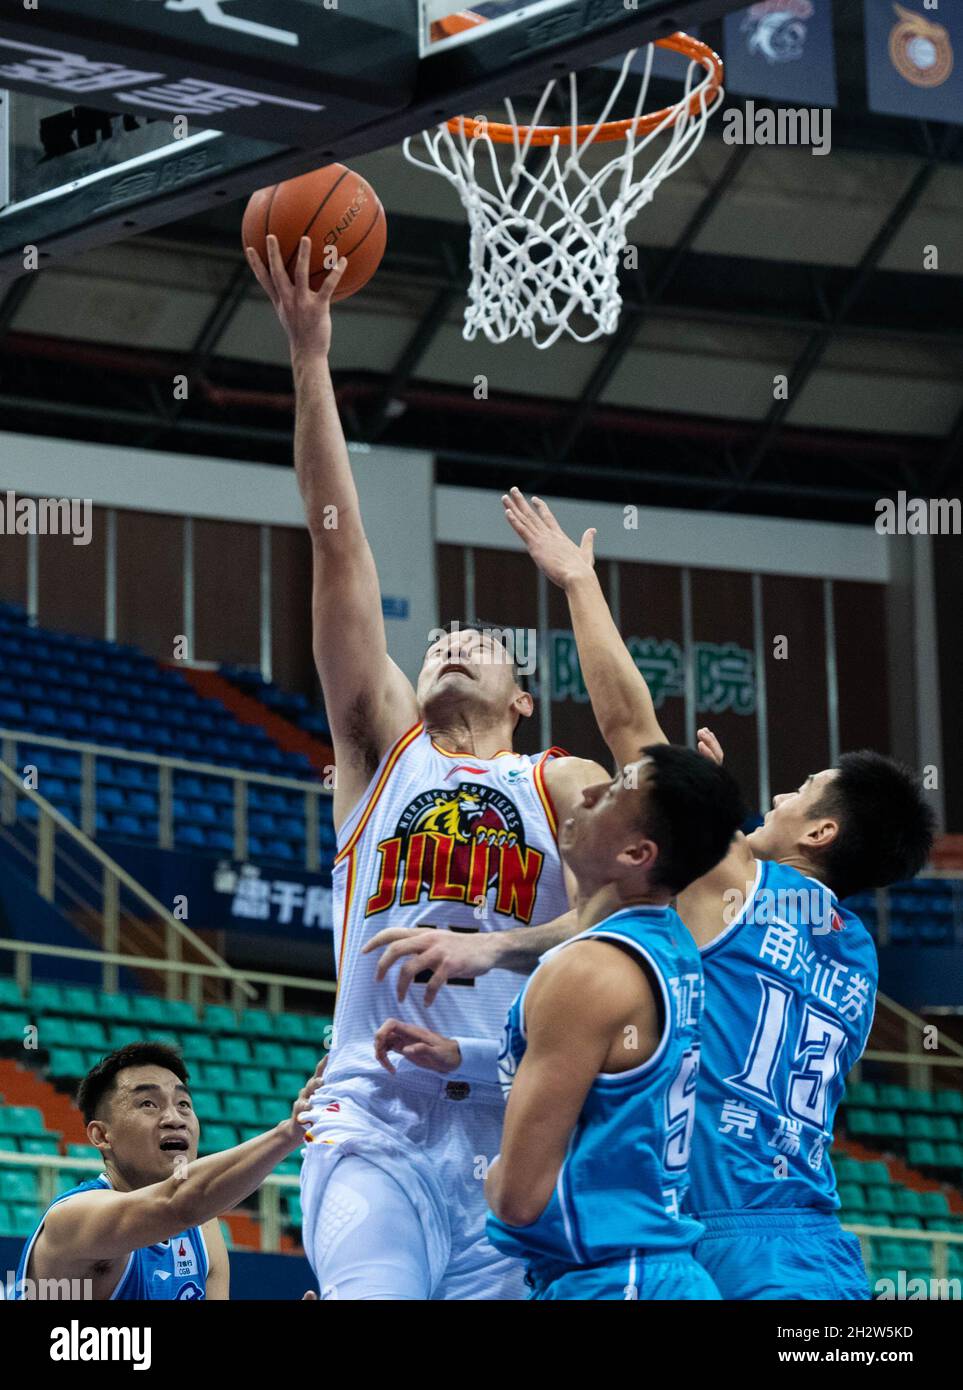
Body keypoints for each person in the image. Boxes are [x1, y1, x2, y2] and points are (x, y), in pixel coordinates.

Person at [379, 489, 935, 1300]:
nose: (779, 798)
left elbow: (627, 725)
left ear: (820, 834)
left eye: (802, 791)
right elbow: (664, 1056)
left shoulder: (728, 884)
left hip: (715, 1242)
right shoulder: (853, 954)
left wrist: (576, 583)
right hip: (822, 1248)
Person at [246, 236, 612, 1300]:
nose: (455, 637)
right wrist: (311, 358)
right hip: (374, 1129)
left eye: (484, 640)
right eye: (441, 632)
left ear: (525, 697)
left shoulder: (560, 783)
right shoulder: (381, 751)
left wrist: (498, 949)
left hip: (517, 1139)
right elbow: (339, 545)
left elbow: (625, 912)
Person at [14, 1043, 321, 1301]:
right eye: (148, 1103)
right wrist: (288, 1134)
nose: (175, 1118)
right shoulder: (71, 1220)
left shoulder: (204, 1229)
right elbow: (178, 1203)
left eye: (184, 1104)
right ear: (101, 1136)